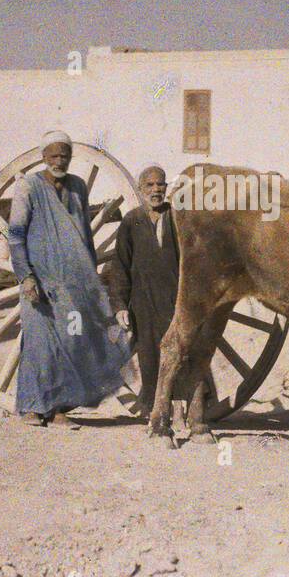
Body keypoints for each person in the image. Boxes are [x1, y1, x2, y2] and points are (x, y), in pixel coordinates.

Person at [4, 130, 130, 427]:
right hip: (40, 279)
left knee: (71, 341)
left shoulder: (77, 188)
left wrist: (90, 277)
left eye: (64, 155)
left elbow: (84, 233)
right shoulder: (28, 187)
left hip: (73, 280)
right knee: (39, 343)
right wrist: (26, 276)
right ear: (44, 157)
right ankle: (33, 407)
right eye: (54, 155)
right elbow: (16, 235)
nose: (59, 161)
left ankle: (60, 408)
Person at [108, 165, 181, 416]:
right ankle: (152, 408)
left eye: (160, 184)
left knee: (178, 352)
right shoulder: (132, 220)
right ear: (140, 189)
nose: (155, 190)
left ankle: (180, 407)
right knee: (149, 355)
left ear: (166, 188)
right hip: (143, 302)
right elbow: (120, 265)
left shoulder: (176, 218)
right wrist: (119, 305)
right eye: (149, 185)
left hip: (174, 299)